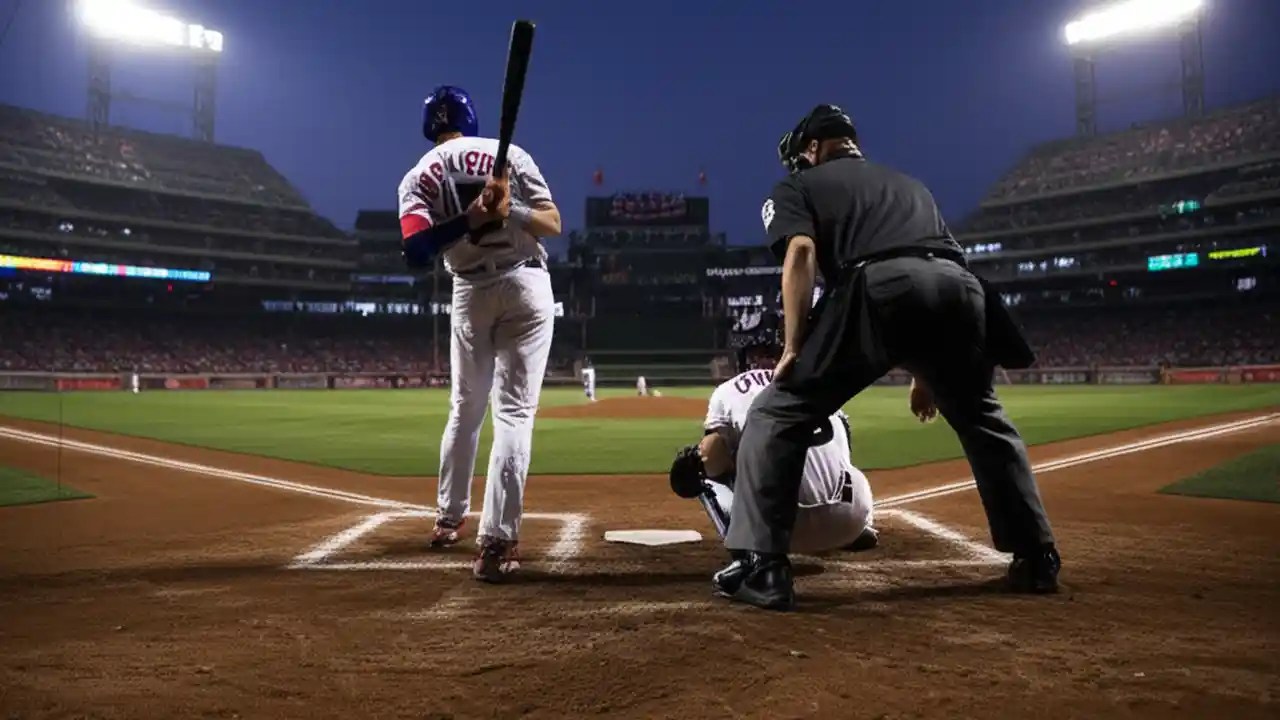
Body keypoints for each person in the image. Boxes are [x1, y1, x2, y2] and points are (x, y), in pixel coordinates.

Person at [718, 104, 1057, 611]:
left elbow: (803, 254)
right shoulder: (910, 185)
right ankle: (1037, 556)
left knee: (777, 411)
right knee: (982, 417)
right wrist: (926, 372)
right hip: (961, 290)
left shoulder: (797, 186)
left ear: (812, 149)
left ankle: (764, 568)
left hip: (879, 286)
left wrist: (792, 346)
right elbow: (939, 265)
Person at [397, 85, 562, 583]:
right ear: (471, 119)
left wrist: (471, 219)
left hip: (470, 291)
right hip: (525, 283)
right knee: (513, 413)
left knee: (465, 410)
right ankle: (497, 542)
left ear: (429, 127)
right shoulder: (509, 154)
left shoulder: (417, 176)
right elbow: (553, 223)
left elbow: (416, 250)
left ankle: (449, 517)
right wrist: (502, 211)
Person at [668, 345, 878, 558]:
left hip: (782, 532)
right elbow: (843, 440)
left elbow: (714, 456)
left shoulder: (728, 390)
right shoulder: (814, 381)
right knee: (847, 467)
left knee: (704, 473)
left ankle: (749, 558)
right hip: (851, 520)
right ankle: (864, 529)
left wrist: (703, 465)